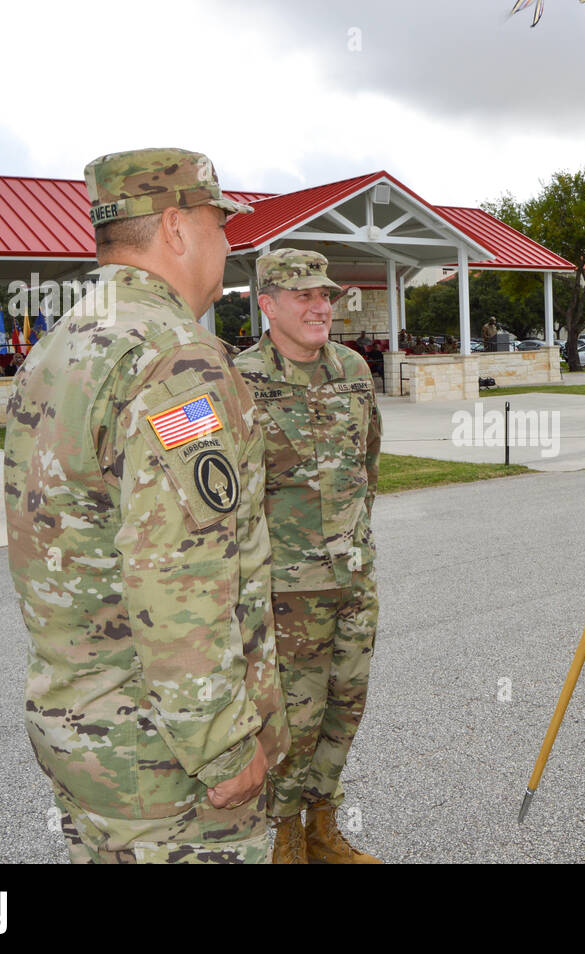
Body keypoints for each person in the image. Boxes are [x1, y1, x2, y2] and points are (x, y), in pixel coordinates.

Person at [4, 148, 288, 863]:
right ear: (175, 227)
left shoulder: (62, 345)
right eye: (220, 225)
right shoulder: (173, 357)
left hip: (87, 729)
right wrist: (222, 746)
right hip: (166, 768)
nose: (229, 245)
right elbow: (178, 576)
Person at [235, 249, 383, 864]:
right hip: (283, 591)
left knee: (344, 709)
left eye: (326, 296)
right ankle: (285, 838)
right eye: (305, 297)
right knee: (289, 721)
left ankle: (323, 828)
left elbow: (368, 462)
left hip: (352, 577)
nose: (322, 306)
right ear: (268, 305)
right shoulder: (236, 379)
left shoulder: (352, 368)